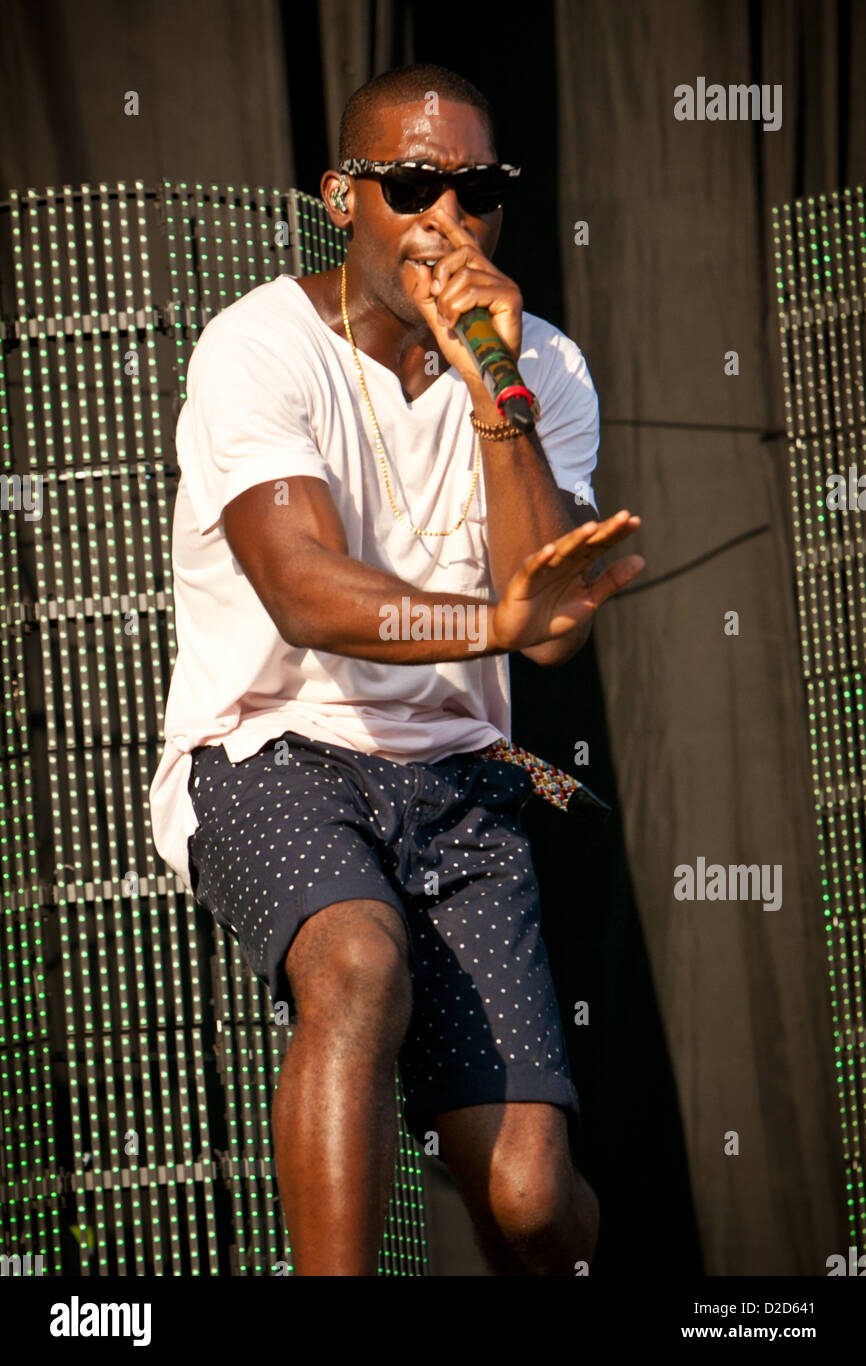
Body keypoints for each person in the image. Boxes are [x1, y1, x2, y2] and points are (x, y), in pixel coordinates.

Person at [149, 62, 645, 1276]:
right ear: (339, 197)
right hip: (272, 746)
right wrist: (490, 619)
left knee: (530, 1203)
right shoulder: (258, 346)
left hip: (459, 783)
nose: (446, 218)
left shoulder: (543, 367)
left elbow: (552, 622)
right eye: (414, 182)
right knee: (355, 961)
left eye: (475, 189)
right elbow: (303, 590)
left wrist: (493, 394)